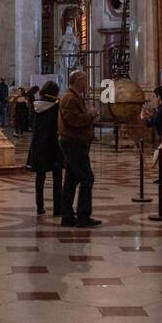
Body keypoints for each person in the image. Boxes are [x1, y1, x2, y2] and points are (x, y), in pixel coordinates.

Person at [58, 69, 101, 228]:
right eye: (84, 79)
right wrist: (90, 115)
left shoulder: (74, 97)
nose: (86, 83)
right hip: (73, 143)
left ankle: (67, 216)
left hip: (75, 142)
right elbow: (74, 120)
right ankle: (83, 216)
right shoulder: (70, 98)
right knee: (87, 178)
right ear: (77, 81)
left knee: (71, 180)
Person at [28, 80, 63, 219]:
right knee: (57, 177)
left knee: (40, 178)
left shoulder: (36, 106)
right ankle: (57, 208)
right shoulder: (56, 106)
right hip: (54, 144)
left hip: (38, 145)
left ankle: (40, 207)